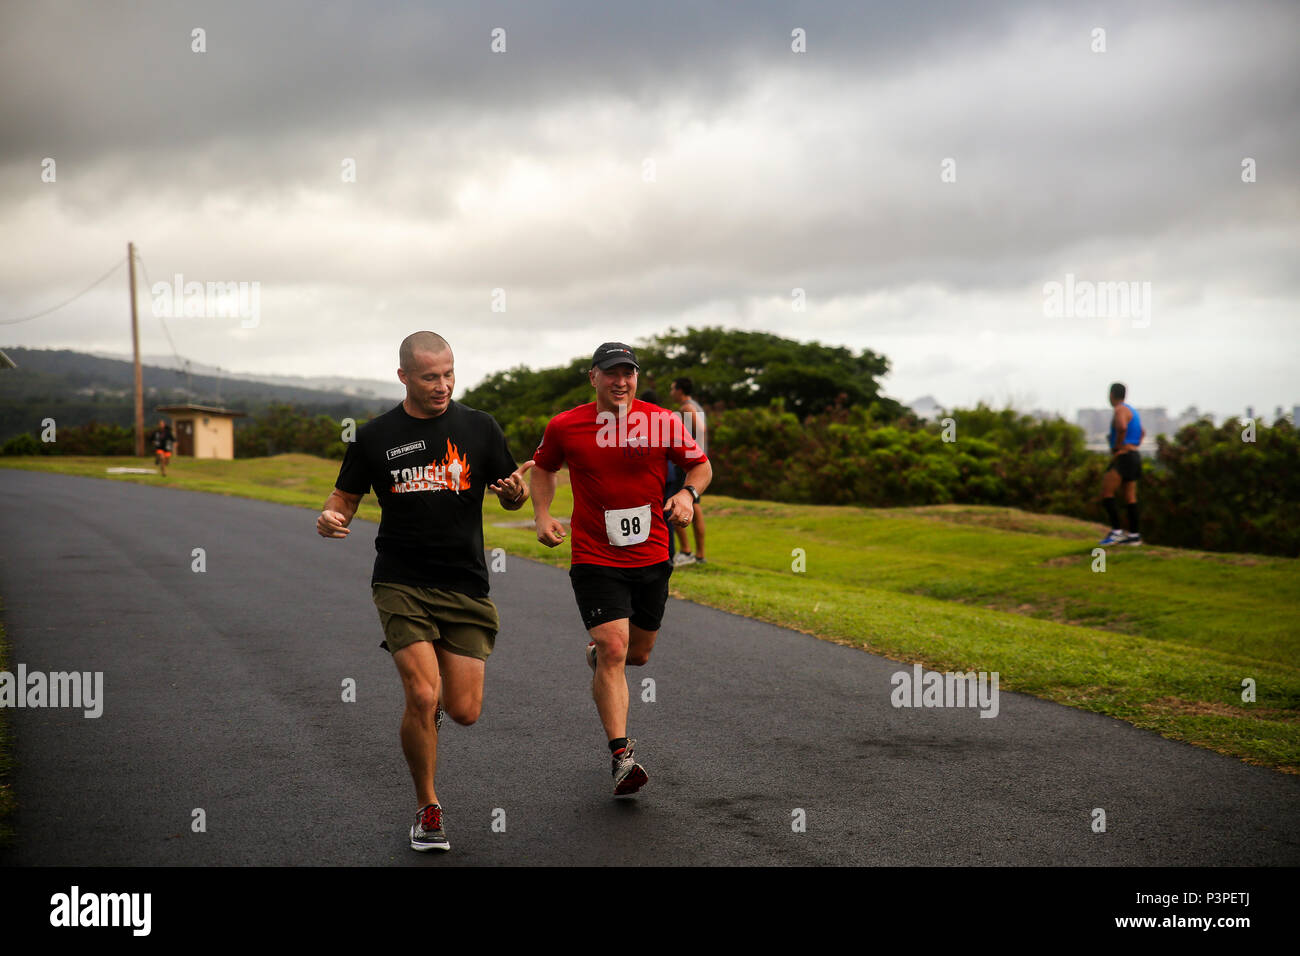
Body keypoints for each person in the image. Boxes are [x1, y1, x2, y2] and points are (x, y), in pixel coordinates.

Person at [316, 331, 532, 852]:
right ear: (404, 377)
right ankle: (427, 808)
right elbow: (343, 499)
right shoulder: (374, 437)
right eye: (431, 376)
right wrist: (331, 518)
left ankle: (431, 706)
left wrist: (515, 494)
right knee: (421, 693)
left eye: (449, 373)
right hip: (400, 581)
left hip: (465, 584)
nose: (443, 385)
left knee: (463, 711)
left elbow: (510, 494)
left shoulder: (479, 428)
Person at [530, 342, 711, 796]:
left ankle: (598, 656)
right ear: (593, 377)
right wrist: (543, 514)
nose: (620, 381)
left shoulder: (663, 420)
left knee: (638, 654)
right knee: (614, 649)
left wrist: (688, 495)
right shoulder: (566, 426)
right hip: (594, 556)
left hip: (652, 555)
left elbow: (700, 465)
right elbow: (545, 467)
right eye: (611, 372)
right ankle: (621, 757)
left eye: (628, 372)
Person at [668, 377, 709, 565]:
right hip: (696, 464)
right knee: (696, 507)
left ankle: (686, 551)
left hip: (687, 466)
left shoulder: (686, 408)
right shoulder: (696, 405)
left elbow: (701, 429)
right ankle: (699, 555)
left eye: (672, 389)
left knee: (676, 504)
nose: (670, 393)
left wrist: (691, 451)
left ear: (679, 390)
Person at [1099, 382, 1144, 546]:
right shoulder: (1131, 410)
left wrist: (1117, 448)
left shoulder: (1119, 410)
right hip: (1134, 455)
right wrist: (1134, 444)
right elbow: (1142, 431)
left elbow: (1122, 427)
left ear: (1111, 395)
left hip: (1124, 457)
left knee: (1106, 493)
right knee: (1130, 497)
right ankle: (1134, 535)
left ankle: (1116, 532)